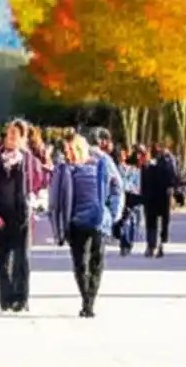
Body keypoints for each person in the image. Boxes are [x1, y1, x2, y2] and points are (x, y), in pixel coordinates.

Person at [49, 134, 124, 317]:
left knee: (96, 262)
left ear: (81, 149)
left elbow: (117, 187)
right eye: (67, 151)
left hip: (98, 221)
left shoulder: (101, 164)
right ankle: (86, 298)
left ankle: (90, 301)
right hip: (76, 223)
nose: (69, 155)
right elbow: (55, 201)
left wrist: (112, 213)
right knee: (81, 264)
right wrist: (59, 226)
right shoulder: (64, 170)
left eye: (72, 150)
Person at [0, 118, 49, 312]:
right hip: (1, 214)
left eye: (15, 134)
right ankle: (5, 299)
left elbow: (41, 183)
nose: (11, 138)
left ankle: (21, 298)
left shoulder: (30, 161)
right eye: (9, 134)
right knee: (4, 258)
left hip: (22, 214)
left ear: (23, 138)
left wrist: (36, 199)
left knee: (22, 258)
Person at [142, 141, 179, 258]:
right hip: (157, 195)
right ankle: (154, 245)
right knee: (157, 221)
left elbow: (173, 177)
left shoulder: (166, 161)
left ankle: (156, 245)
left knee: (156, 221)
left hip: (158, 195)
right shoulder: (164, 161)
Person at [116, 144, 146, 256]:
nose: (138, 155)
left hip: (135, 195)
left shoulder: (138, 167)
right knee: (125, 220)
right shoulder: (122, 166)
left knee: (133, 220)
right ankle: (124, 243)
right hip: (125, 195)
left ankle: (129, 241)